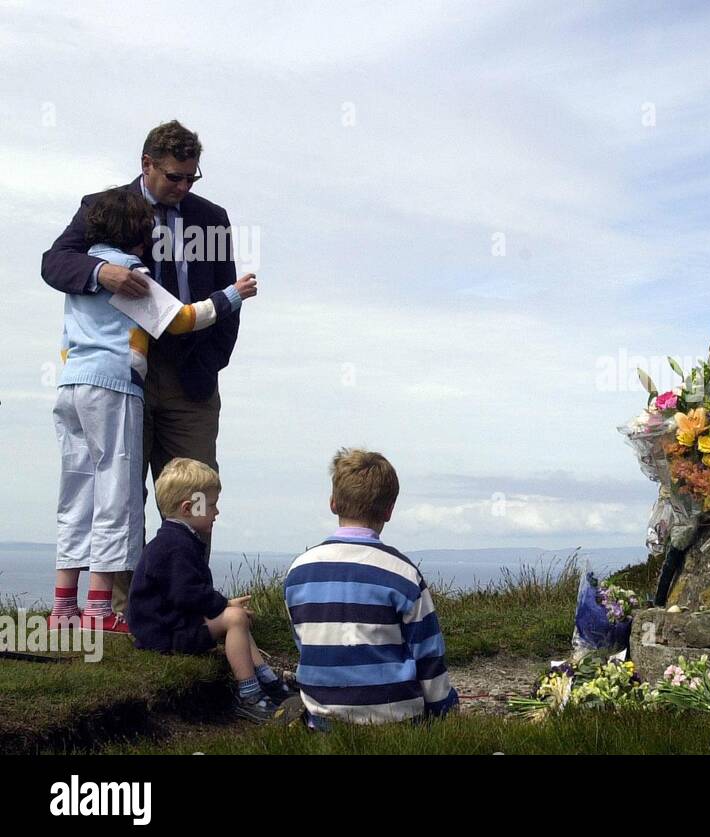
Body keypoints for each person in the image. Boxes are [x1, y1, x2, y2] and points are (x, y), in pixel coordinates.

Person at [42, 120, 245, 614]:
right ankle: (124, 608)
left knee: (196, 489)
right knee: (120, 488)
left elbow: (225, 294)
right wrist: (100, 272)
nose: (182, 187)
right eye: (174, 176)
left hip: (190, 379)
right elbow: (54, 262)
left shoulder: (211, 218)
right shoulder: (103, 208)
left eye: (191, 178)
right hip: (118, 376)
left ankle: (186, 600)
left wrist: (211, 359)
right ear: (146, 164)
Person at [285, 449, 458, 728]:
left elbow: (306, 643)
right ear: (389, 511)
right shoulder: (403, 574)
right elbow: (428, 656)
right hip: (395, 722)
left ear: (333, 503)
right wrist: (443, 707)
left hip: (324, 720)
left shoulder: (299, 572)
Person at [128, 458, 292, 722]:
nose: (216, 512)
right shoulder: (174, 546)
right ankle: (249, 694)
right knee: (235, 618)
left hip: (170, 624)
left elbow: (185, 593)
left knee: (237, 617)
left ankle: (266, 679)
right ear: (188, 507)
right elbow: (187, 592)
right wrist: (223, 606)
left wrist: (225, 607)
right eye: (212, 504)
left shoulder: (176, 539)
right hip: (165, 635)